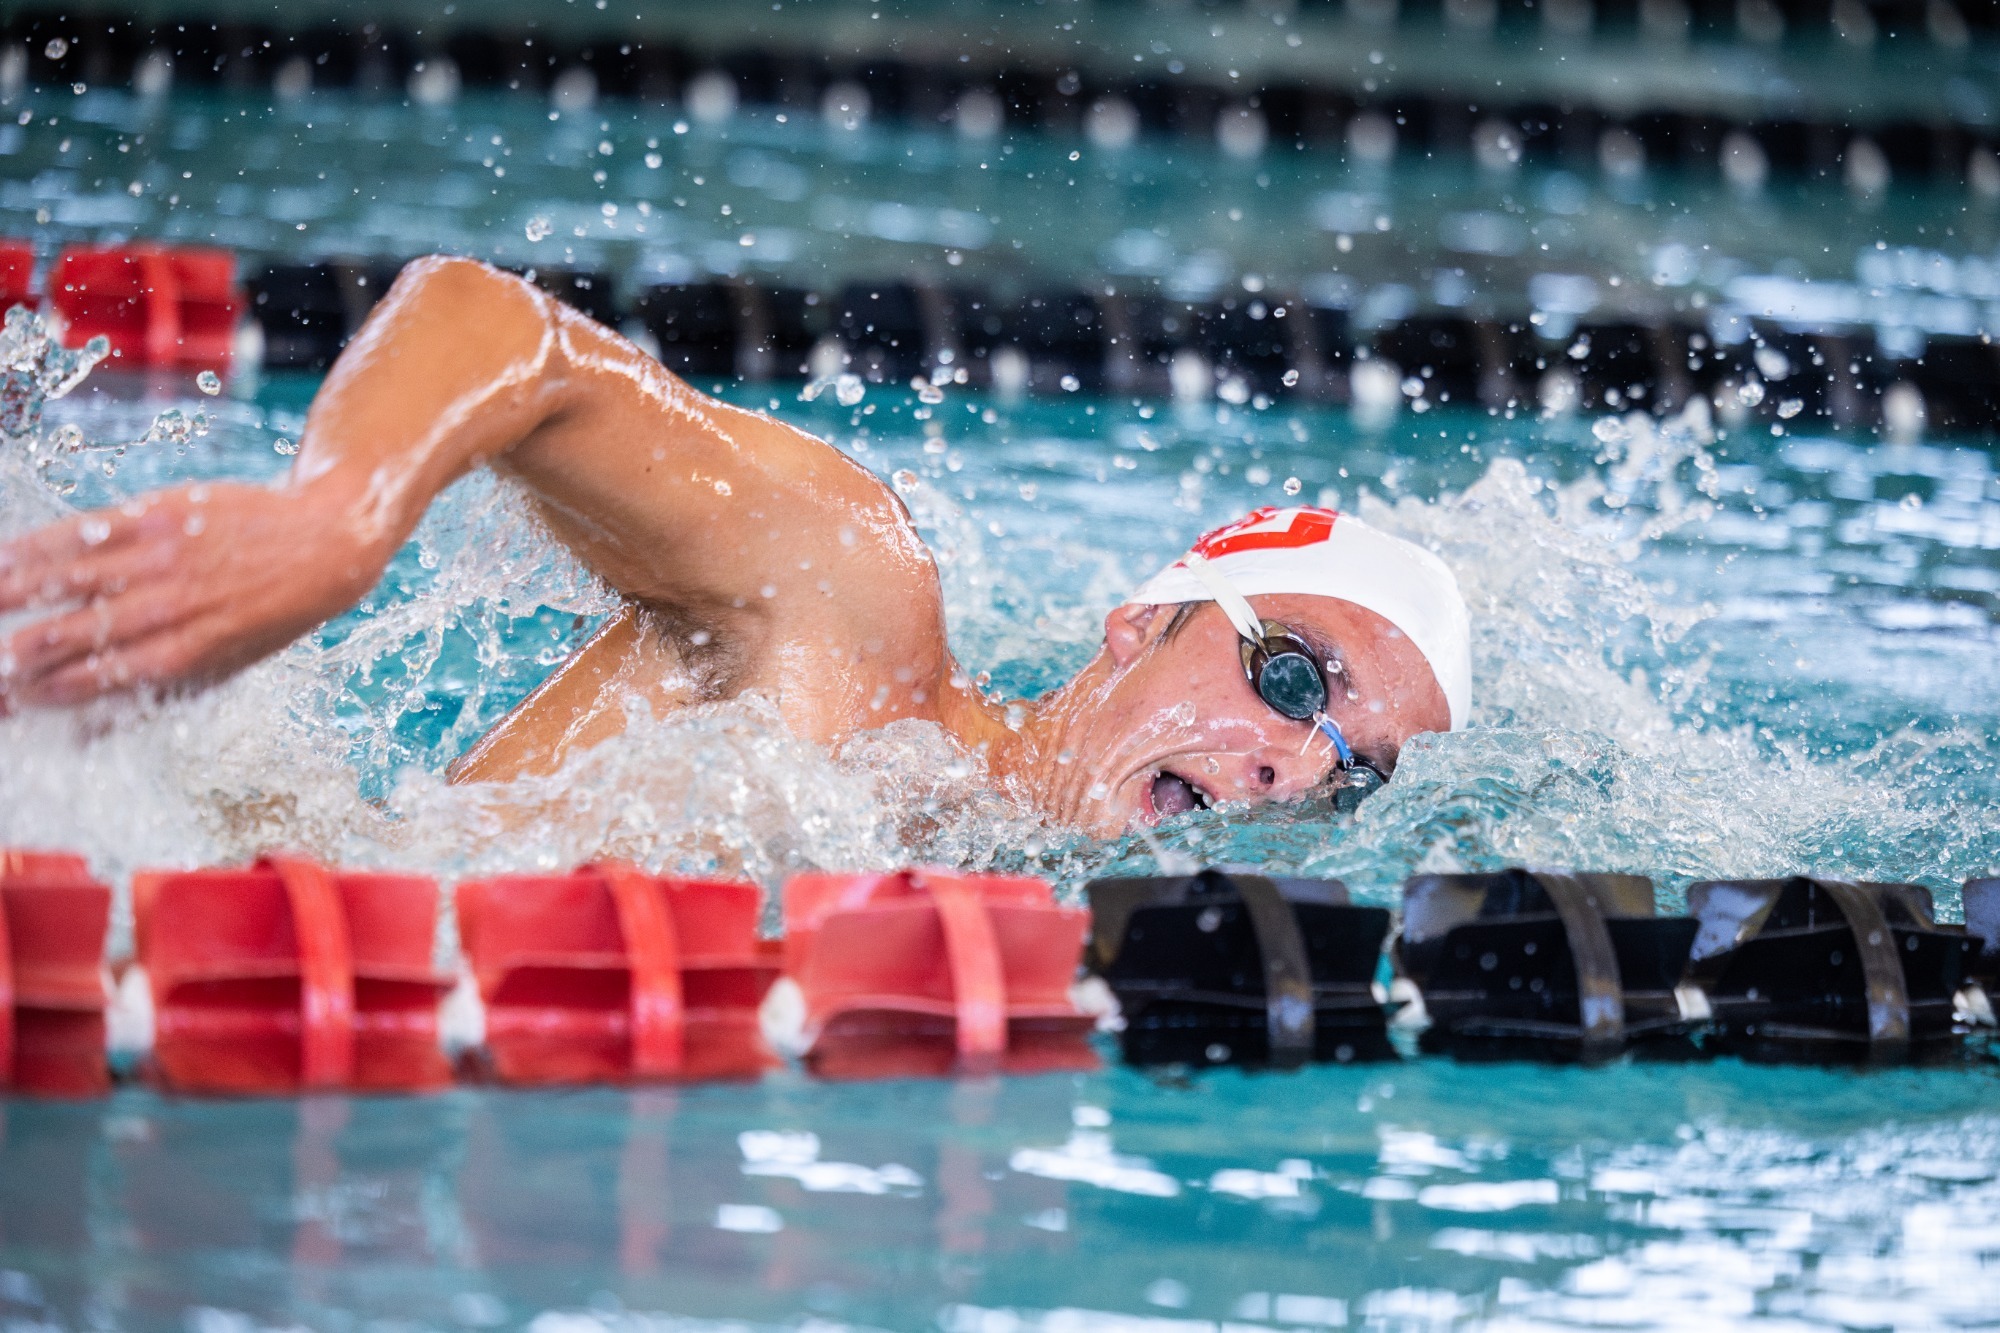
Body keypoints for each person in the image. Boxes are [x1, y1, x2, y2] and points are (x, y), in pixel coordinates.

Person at [0, 257, 1469, 837]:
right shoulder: (857, 616)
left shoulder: (1005, 917)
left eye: (1352, 770)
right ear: (1139, 621)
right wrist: (332, 531)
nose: (1296, 761)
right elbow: (498, 329)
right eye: (1291, 675)